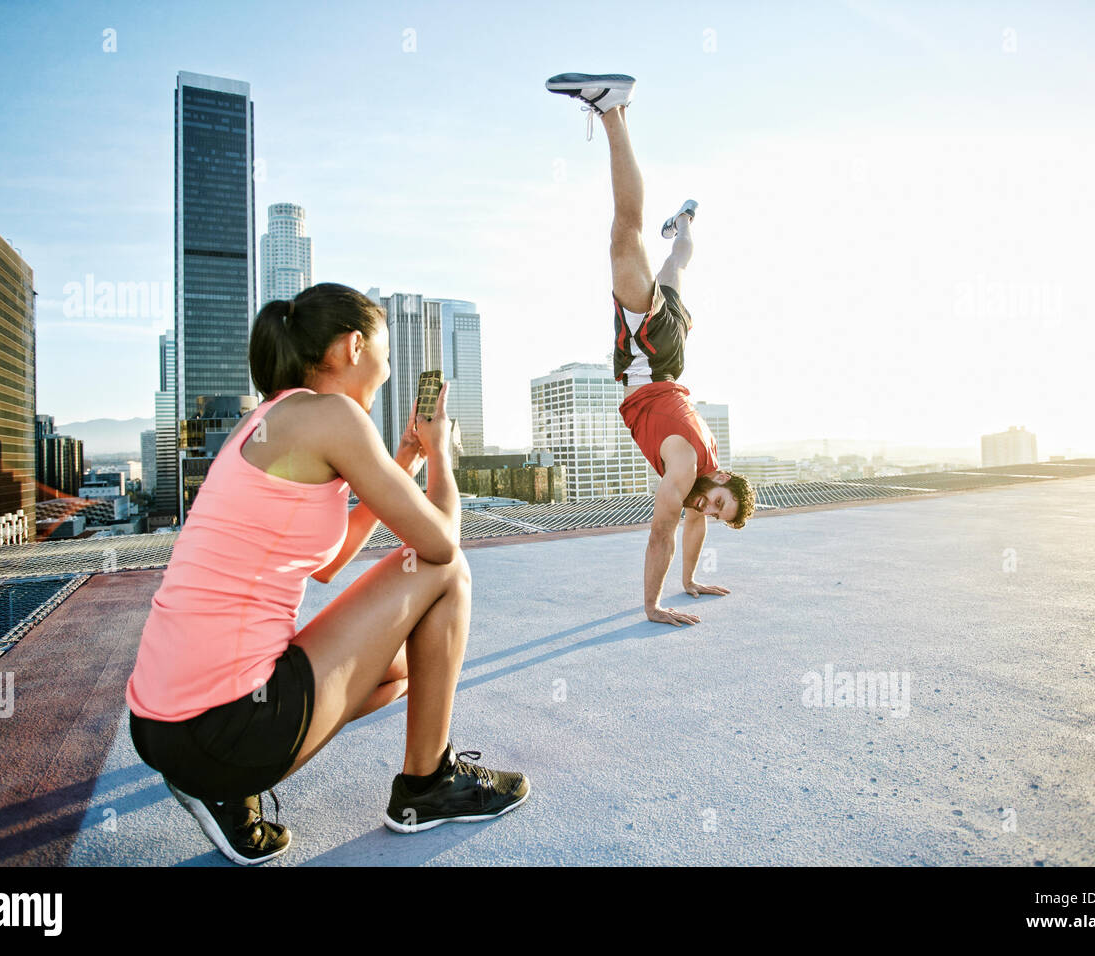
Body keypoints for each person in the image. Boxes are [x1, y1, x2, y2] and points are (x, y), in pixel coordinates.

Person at [125, 283, 529, 865]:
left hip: (165, 725)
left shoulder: (269, 420)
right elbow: (440, 546)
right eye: (386, 355)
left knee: (403, 673)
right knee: (449, 574)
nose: (389, 371)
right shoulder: (332, 415)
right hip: (229, 727)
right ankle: (427, 786)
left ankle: (223, 790)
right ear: (354, 347)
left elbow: (327, 565)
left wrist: (404, 462)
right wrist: (442, 455)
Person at [546, 73, 757, 627]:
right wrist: (653, 604)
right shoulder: (689, 469)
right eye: (716, 500)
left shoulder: (704, 474)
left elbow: (693, 525)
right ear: (719, 478)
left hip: (673, 352)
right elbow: (663, 531)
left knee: (676, 262)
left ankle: (684, 221)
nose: (706, 508)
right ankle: (615, 111)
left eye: (715, 511)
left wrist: (690, 582)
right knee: (625, 232)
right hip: (652, 354)